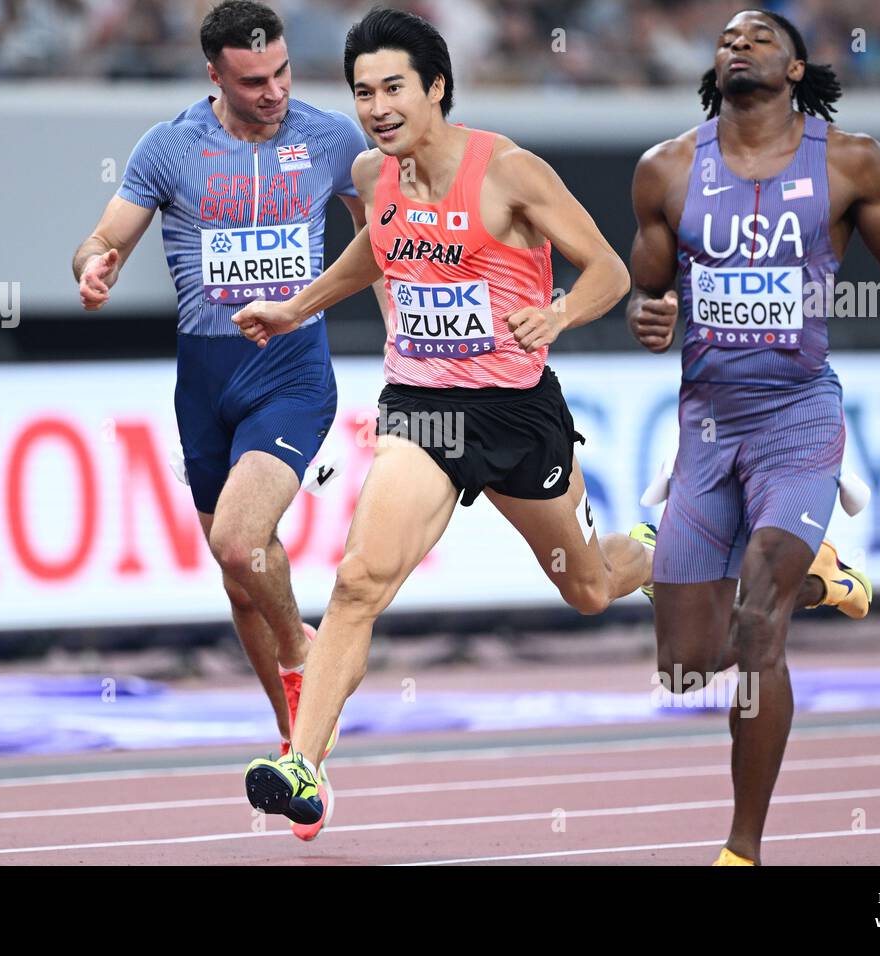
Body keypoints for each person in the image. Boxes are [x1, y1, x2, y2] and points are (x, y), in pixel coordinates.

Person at [233, 8, 654, 836]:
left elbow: (607, 266)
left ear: (436, 89)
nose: (378, 107)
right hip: (423, 410)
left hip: (517, 413)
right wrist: (296, 307)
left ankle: (677, 541)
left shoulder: (510, 172)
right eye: (363, 92)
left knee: (590, 590)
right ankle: (304, 766)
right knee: (358, 583)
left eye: (394, 88)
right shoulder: (371, 174)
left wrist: (561, 314)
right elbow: (378, 250)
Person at [626, 9, 880, 865]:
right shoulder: (664, 169)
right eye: (727, 37)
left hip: (798, 418)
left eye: (759, 36)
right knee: (688, 670)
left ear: (798, 67)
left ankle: (741, 850)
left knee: (757, 628)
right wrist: (647, 317)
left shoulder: (851, 160)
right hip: (705, 427)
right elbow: (644, 295)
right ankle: (820, 577)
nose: (737, 44)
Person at [71, 0, 372, 840]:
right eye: (252, 81)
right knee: (238, 579)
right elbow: (103, 239)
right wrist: (93, 267)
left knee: (240, 541)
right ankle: (298, 752)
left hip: (293, 375)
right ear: (214, 75)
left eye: (281, 73)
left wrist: (404, 354)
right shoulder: (168, 148)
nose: (273, 91)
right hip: (204, 381)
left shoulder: (332, 139)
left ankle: (306, 657)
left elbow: (380, 241)